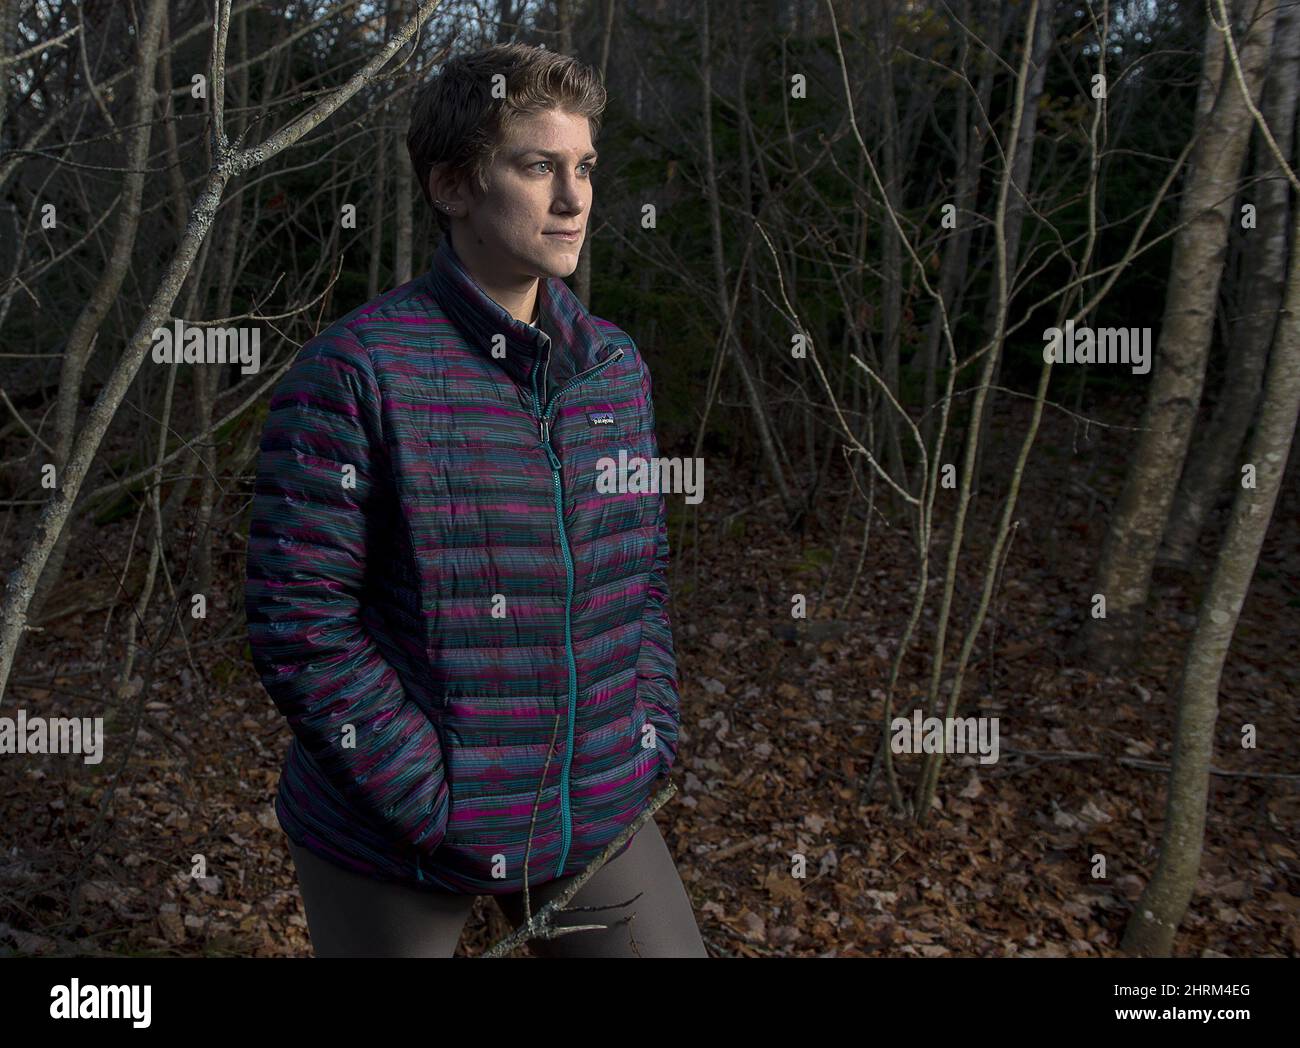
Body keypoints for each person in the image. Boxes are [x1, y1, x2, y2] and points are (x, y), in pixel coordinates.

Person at [243, 42, 707, 958]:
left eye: (584, 167)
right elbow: (299, 624)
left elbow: (642, 577)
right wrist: (435, 798)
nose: (573, 199)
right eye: (538, 167)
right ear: (452, 185)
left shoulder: (612, 368)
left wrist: (644, 735)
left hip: (592, 801)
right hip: (400, 836)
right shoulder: (356, 373)